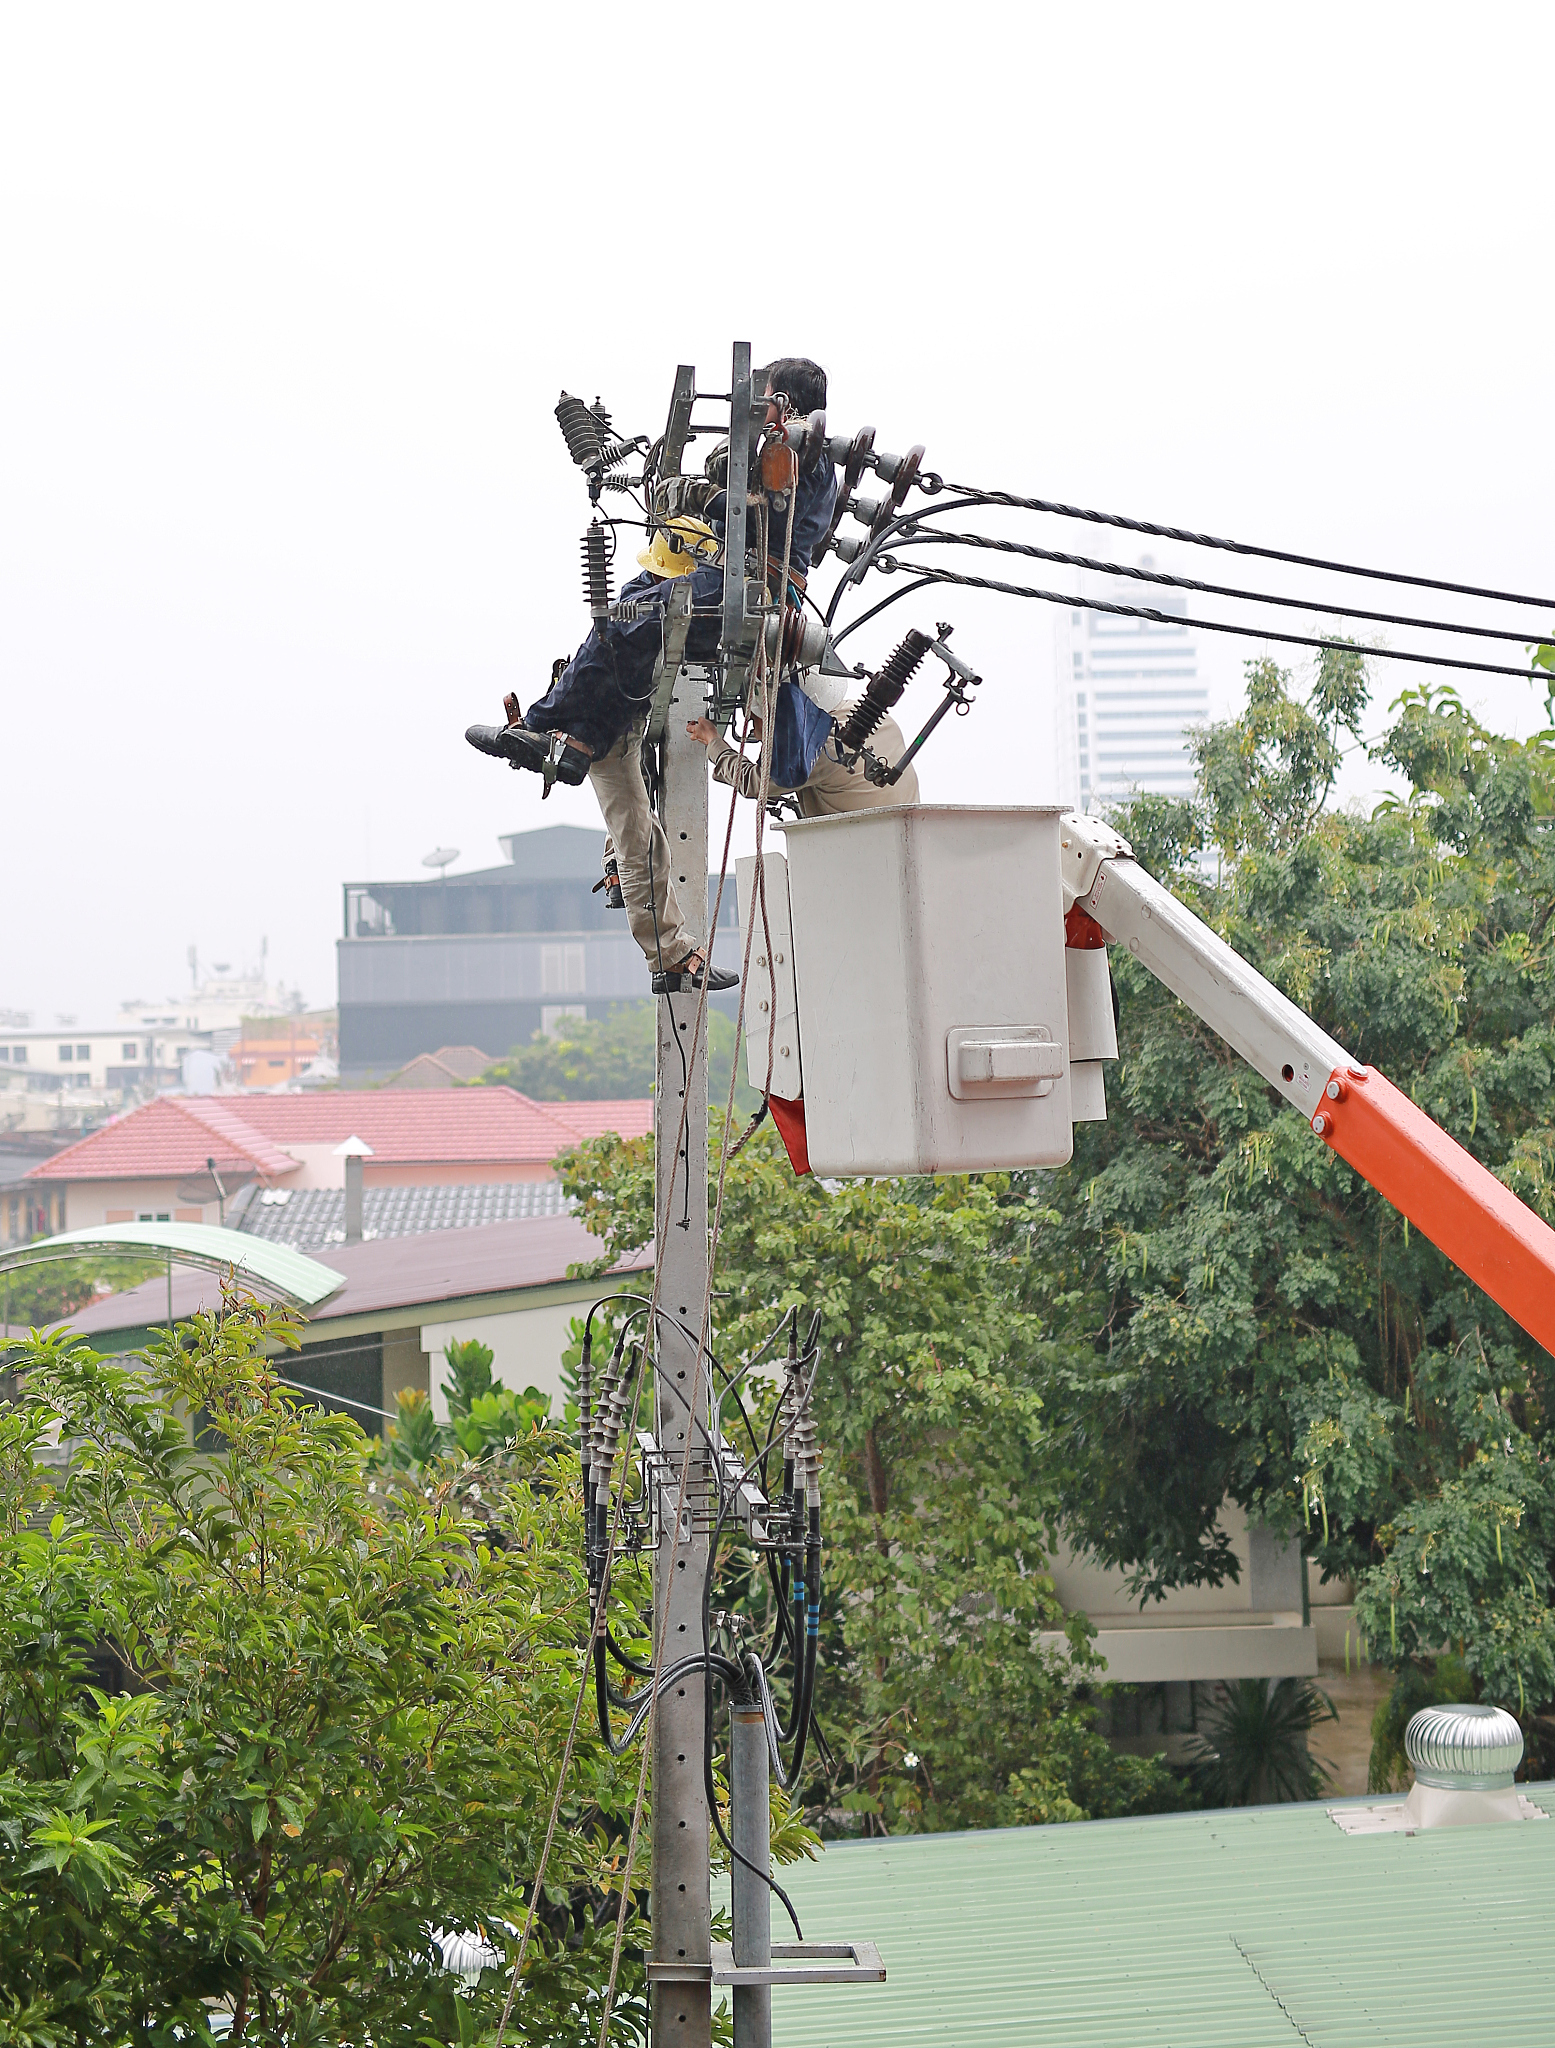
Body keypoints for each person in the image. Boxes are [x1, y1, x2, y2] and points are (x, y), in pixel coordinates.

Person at [485, 357, 839, 994]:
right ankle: (558, 738)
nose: (755, 411)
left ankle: (548, 733)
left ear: (786, 402)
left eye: (763, 400)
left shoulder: (801, 454)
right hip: (722, 583)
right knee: (619, 638)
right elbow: (726, 483)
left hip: (751, 587)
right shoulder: (787, 453)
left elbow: (744, 487)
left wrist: (738, 456)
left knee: (622, 627)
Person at [686, 707, 921, 815]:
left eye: (754, 718)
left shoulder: (822, 751)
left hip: (856, 860)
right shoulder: (856, 714)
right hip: (898, 844)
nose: (753, 732)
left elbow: (755, 782)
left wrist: (713, 742)